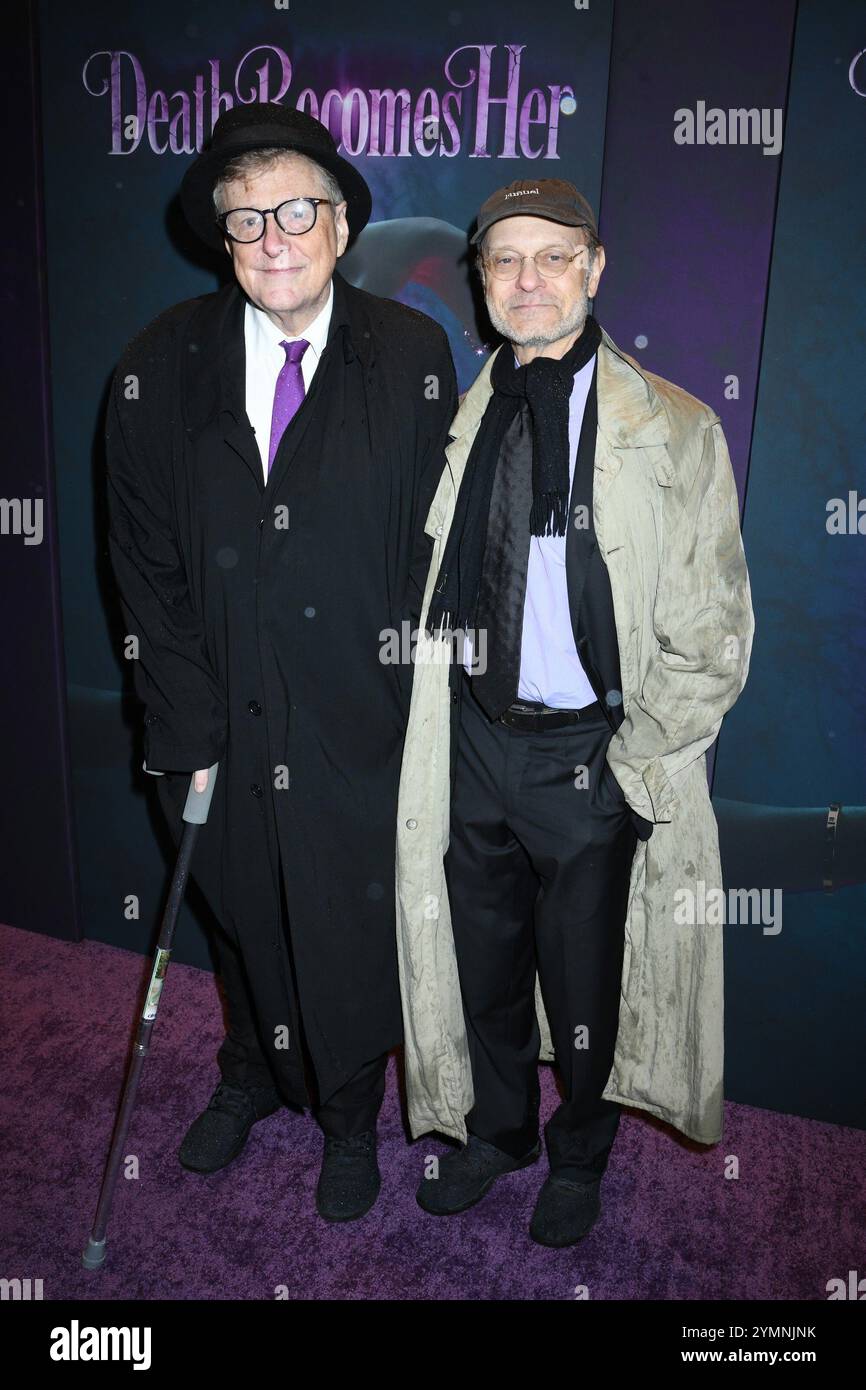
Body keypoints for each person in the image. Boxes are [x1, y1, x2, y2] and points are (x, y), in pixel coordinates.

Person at [105, 102, 457, 1222]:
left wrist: (415, 715)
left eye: (296, 209)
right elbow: (142, 563)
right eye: (245, 216)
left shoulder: (410, 355)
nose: (272, 235)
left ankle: (348, 1113)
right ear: (222, 236)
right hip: (212, 718)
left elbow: (429, 554)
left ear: (342, 224)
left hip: (360, 722)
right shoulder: (159, 365)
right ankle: (252, 1070)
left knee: (346, 929)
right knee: (244, 911)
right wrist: (185, 721)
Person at [396, 178, 755, 1247]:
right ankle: (497, 1130)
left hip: (586, 757)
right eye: (504, 259)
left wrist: (636, 759)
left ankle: (579, 1148)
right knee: (483, 962)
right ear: (481, 281)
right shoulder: (462, 413)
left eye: (553, 256)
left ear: (594, 270)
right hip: (470, 740)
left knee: (588, 975)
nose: (527, 279)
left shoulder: (673, 429)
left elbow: (713, 625)